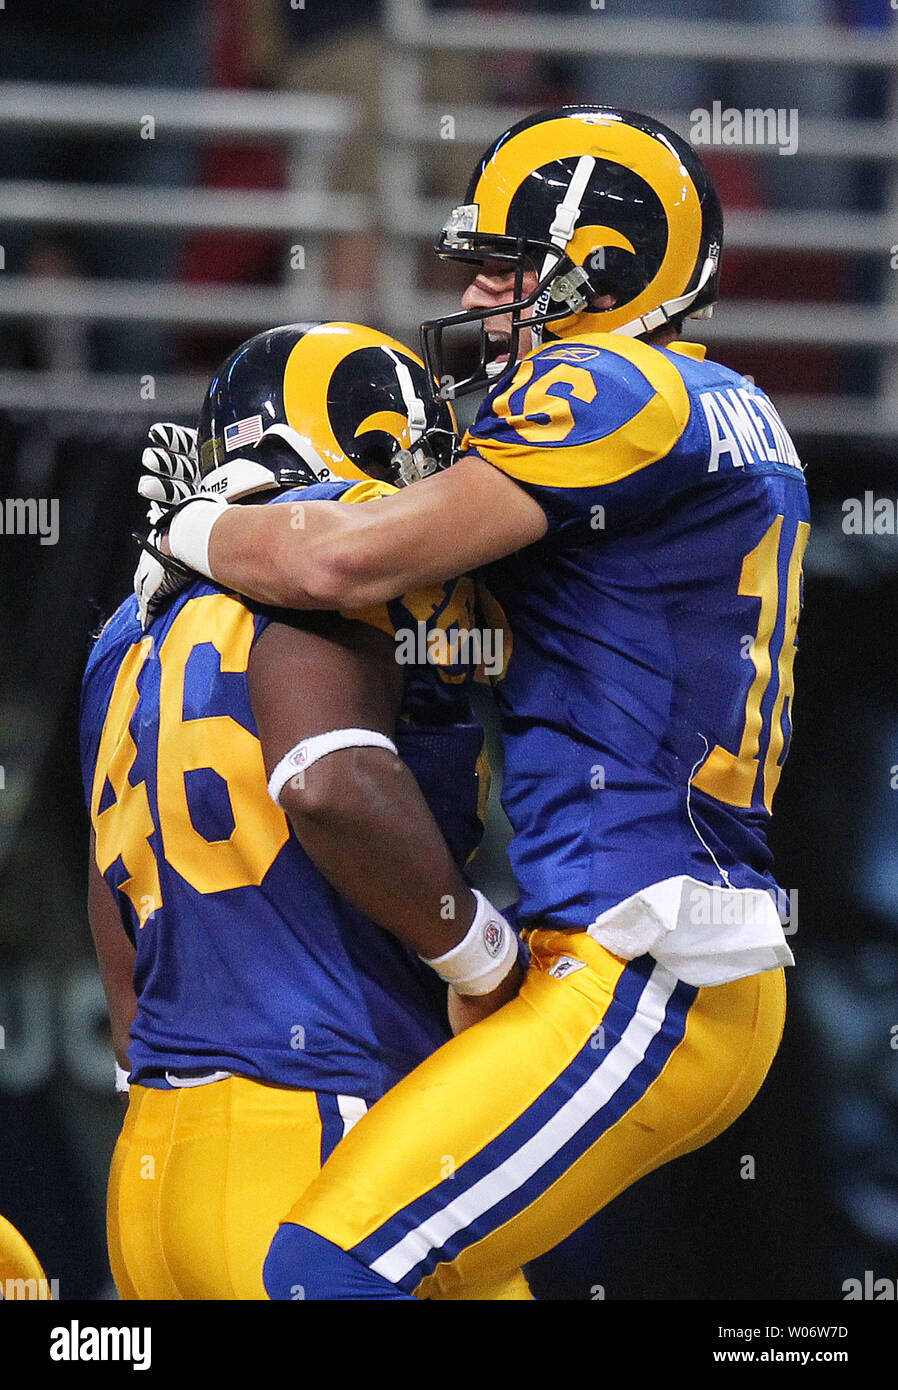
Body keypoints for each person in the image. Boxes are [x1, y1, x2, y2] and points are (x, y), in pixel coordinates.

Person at [138, 108, 808, 1300]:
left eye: (510, 263)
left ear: (605, 266)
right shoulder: (710, 403)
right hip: (633, 947)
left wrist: (196, 524)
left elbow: (341, 563)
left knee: (331, 1269)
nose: (484, 290)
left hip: (645, 957)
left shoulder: (609, 386)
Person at [83, 321, 528, 1300]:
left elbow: (110, 896)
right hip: (322, 1132)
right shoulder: (325, 571)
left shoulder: (129, 626)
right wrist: (483, 954)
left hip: (157, 1166)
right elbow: (326, 777)